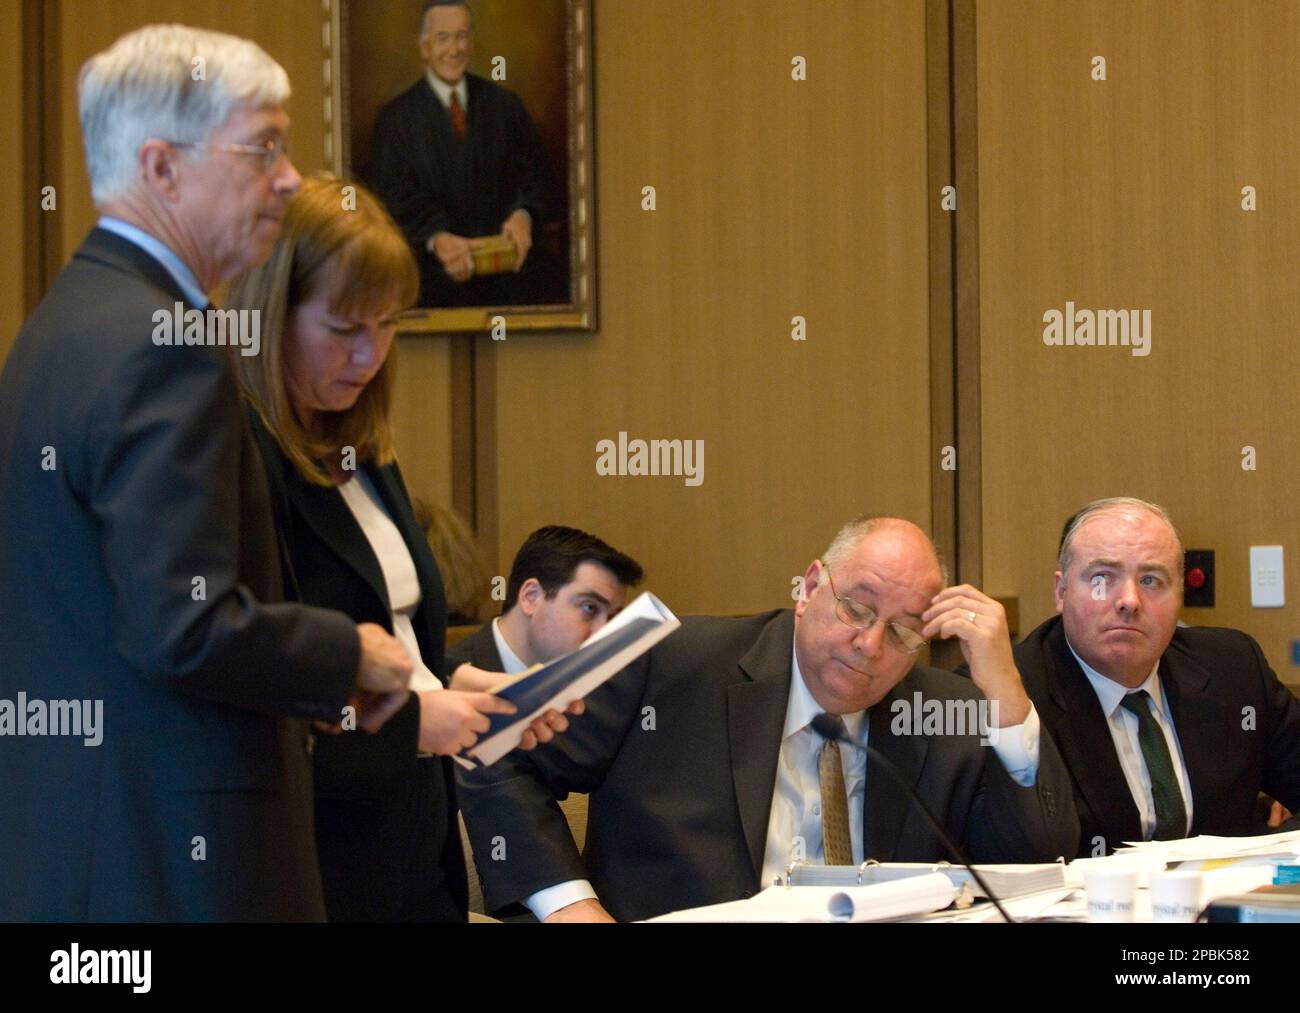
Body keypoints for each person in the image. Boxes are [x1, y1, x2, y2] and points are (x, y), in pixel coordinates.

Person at [0, 25, 416, 921]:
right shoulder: (170, 345)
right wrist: (352, 651)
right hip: (173, 871)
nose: (290, 178)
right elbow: (182, 622)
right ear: (162, 168)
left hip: (81, 852)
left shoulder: (57, 327)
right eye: (263, 146)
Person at [226, 174, 577, 921]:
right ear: (270, 316)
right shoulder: (236, 461)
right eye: (345, 329)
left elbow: (395, 644)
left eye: (387, 325)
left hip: (413, 850)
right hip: (314, 867)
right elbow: (249, 699)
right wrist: (421, 725)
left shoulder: (363, 447)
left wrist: (469, 685)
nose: (370, 355)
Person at [458, 517, 1079, 922]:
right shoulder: (669, 663)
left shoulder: (940, 712)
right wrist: (571, 908)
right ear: (809, 588)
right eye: (856, 608)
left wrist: (1003, 690)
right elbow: (500, 754)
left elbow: (1041, 864)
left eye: (902, 630)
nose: (869, 645)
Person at [1014, 497, 1300, 857]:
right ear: (1061, 591)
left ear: (1179, 594)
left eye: (1151, 580)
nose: (1129, 600)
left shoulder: (1234, 669)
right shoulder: (1013, 691)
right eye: (1102, 578)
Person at [368, 0, 562, 307]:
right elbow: (390, 200)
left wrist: (524, 213)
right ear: (424, 47)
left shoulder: (505, 107)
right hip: (432, 282)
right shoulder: (395, 121)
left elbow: (538, 178)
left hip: (508, 280)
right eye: (443, 38)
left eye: (461, 37)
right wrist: (437, 238)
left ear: (471, 42)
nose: (454, 49)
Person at [446, 525, 645, 685]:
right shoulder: (441, 683)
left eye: (612, 617)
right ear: (531, 597)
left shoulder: (609, 688)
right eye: (589, 608)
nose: (604, 633)